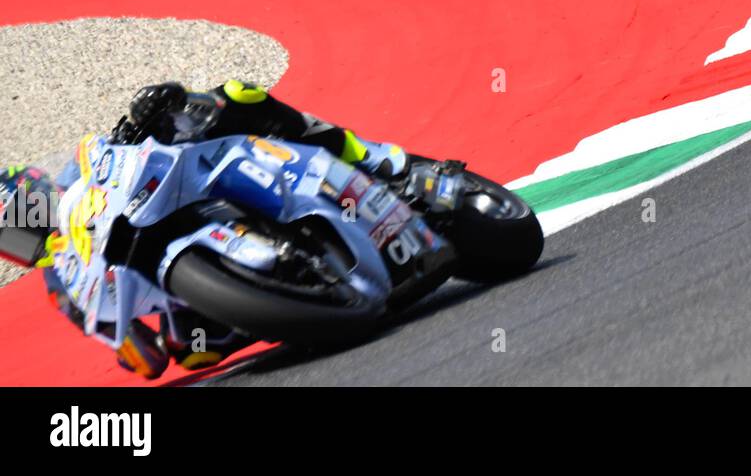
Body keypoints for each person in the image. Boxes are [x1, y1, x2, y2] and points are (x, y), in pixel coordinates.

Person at [0, 80, 445, 378]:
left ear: (36, 187)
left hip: (174, 193)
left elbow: (136, 144)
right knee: (190, 348)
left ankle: (374, 158)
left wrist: (145, 119)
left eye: (22, 213)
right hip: (183, 284)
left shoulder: (83, 170)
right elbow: (148, 361)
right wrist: (128, 346)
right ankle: (291, 300)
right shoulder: (62, 282)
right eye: (10, 237)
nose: (24, 232)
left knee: (233, 96)